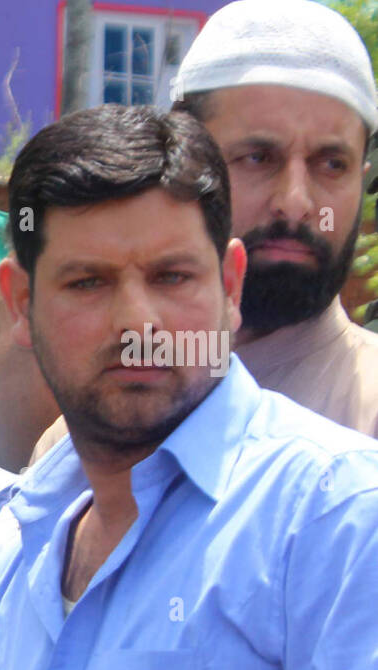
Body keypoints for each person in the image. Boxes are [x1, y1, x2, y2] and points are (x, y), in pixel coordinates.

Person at [0, 103, 378, 670]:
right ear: (22, 302)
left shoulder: (335, 515)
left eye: (173, 277)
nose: (140, 324)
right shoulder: (22, 547)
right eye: (88, 283)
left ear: (230, 286)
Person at [169, 0, 378, 437]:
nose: (296, 202)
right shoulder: (109, 406)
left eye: (331, 164)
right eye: (258, 157)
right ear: (184, 163)